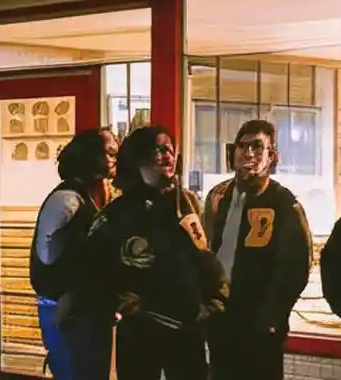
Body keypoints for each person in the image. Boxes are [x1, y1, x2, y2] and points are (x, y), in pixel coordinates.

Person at [78, 125, 223, 380]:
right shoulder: (117, 215)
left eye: (170, 149)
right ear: (139, 157)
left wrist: (214, 300)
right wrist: (115, 303)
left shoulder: (185, 202)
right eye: (159, 150)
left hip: (187, 330)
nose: (168, 156)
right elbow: (91, 271)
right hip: (140, 332)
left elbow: (203, 257)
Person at [202, 119, 313, 380]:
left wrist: (273, 316)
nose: (248, 154)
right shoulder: (218, 197)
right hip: (220, 315)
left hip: (260, 322)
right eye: (242, 146)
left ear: (272, 156)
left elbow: (296, 267)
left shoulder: (284, 204)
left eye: (257, 147)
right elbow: (204, 251)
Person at [29, 127, 118, 380]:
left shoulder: (93, 195)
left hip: (86, 307)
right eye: (108, 151)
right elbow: (48, 256)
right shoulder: (67, 199)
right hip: (65, 308)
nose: (114, 157)